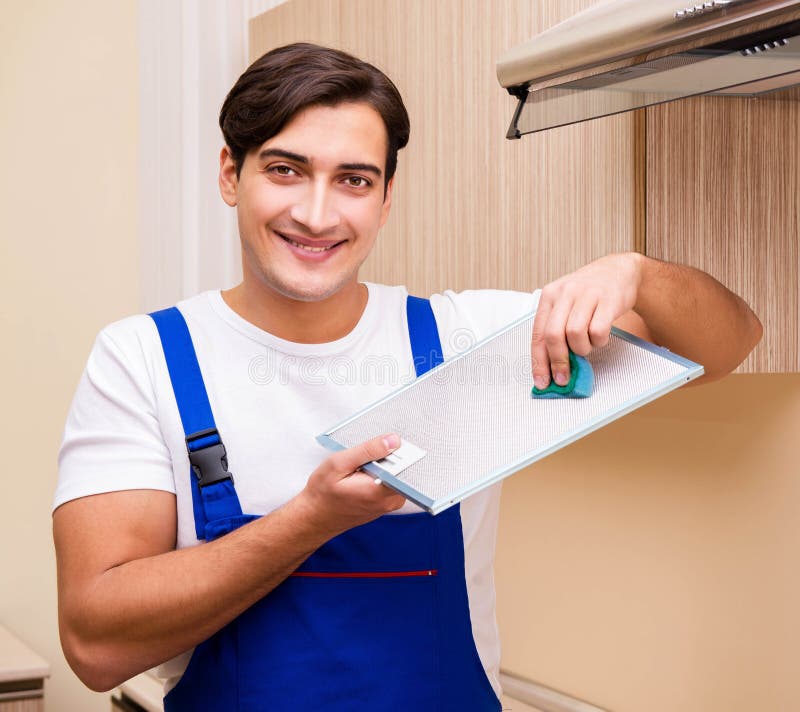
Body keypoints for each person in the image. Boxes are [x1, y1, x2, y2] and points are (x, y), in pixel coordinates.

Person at [53, 43, 762, 711]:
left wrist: (634, 272)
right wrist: (310, 520)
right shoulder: (143, 359)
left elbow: (728, 344)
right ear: (230, 176)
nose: (317, 213)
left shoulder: (470, 343)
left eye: (353, 180)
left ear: (386, 198)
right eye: (285, 169)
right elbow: (95, 645)